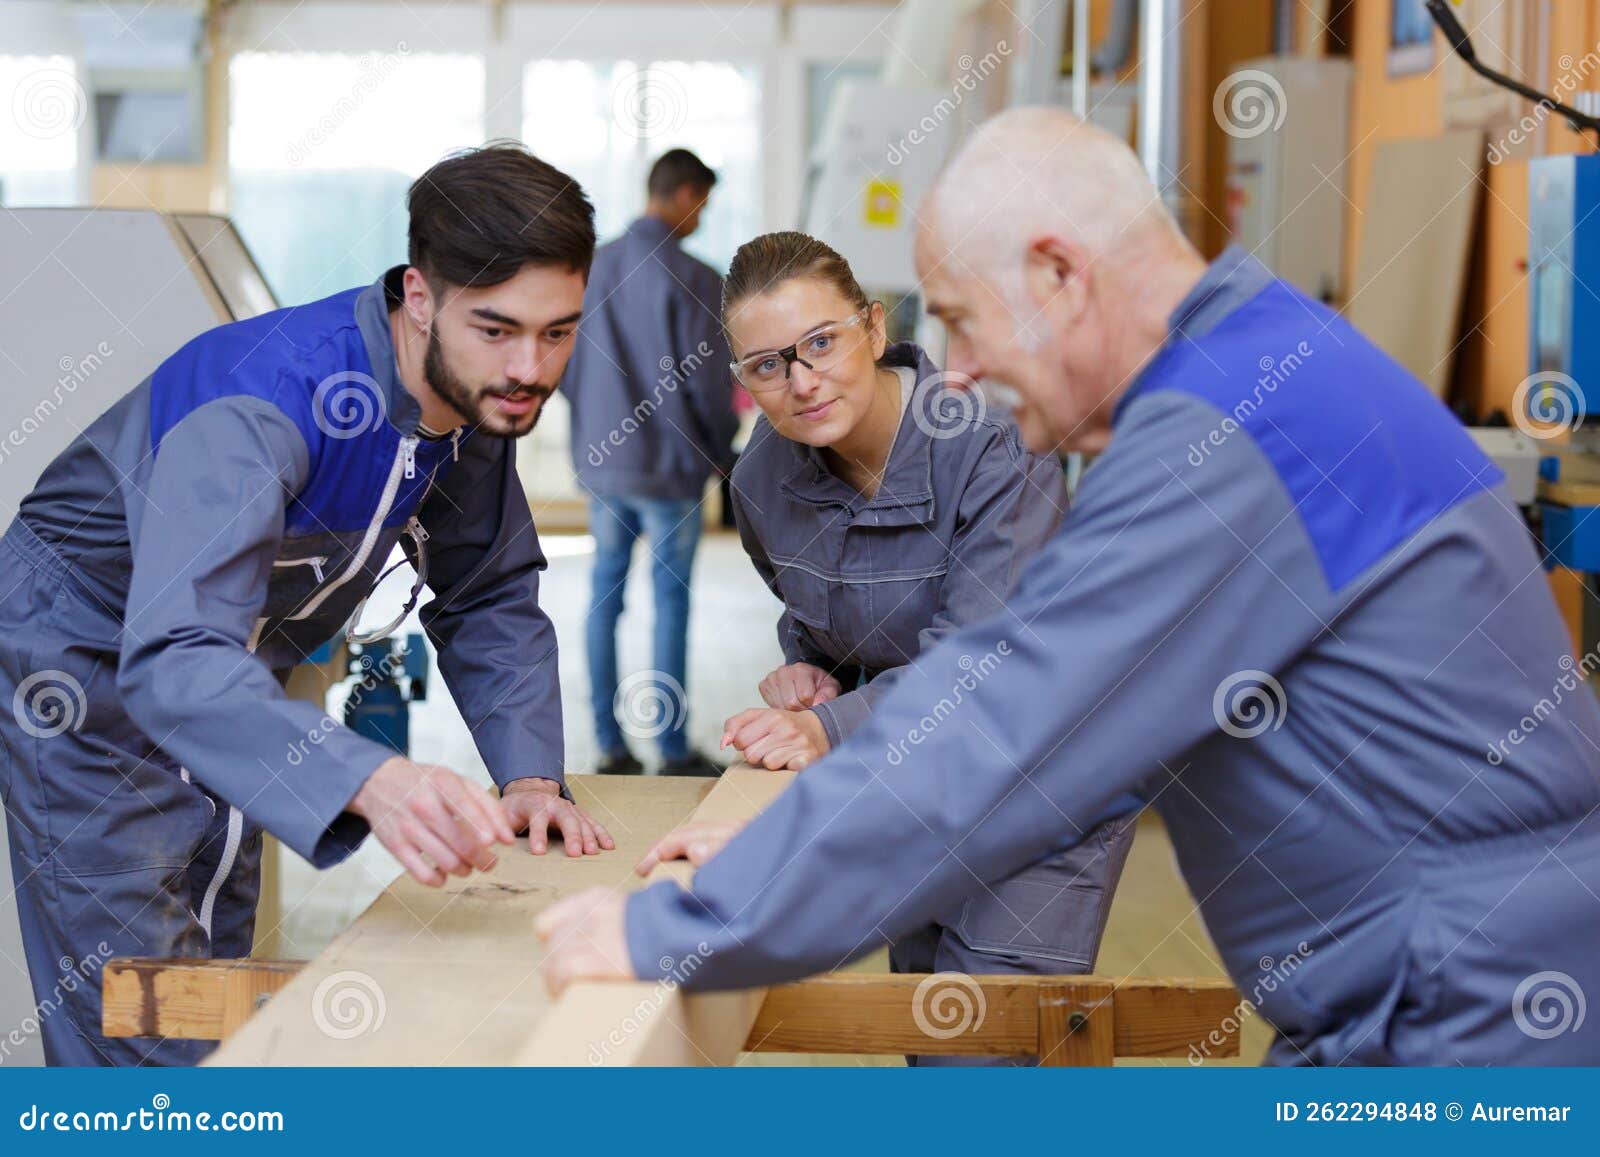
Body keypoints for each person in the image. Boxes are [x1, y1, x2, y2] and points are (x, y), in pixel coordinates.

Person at [537, 109, 1600, 1066]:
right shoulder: (1259, 361)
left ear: (1056, 273)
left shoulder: (1227, 430)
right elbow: (1071, 733)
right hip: (1414, 996)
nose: (950, 369)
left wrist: (679, 924)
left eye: (959, 318)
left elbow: (1012, 724)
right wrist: (796, 838)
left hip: (1467, 1015)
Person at [0, 142, 615, 1066]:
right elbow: (172, 655)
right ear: (420, 295)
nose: (530, 367)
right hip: (85, 657)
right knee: (142, 996)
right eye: (497, 329)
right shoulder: (265, 402)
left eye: (557, 331)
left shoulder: (473, 395)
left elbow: (485, 586)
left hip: (233, 659)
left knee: (217, 948)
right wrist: (371, 776)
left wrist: (528, 777)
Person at [703, 231, 1135, 1064]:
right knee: (929, 1029)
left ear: (872, 326)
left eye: (820, 342)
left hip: (1043, 776)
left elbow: (989, 657)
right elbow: (815, 606)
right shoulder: (761, 477)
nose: (799, 382)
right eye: (765, 366)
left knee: (981, 1057)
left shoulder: (993, 441)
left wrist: (828, 731)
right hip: (911, 778)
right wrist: (810, 669)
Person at [562, 148, 738, 777]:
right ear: (685, 194)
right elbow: (710, 391)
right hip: (671, 469)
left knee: (603, 599)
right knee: (671, 603)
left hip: (605, 466)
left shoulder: (590, 269)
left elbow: (561, 367)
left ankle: (610, 748)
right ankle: (670, 749)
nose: (702, 220)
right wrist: (721, 454)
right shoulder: (697, 279)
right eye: (704, 205)